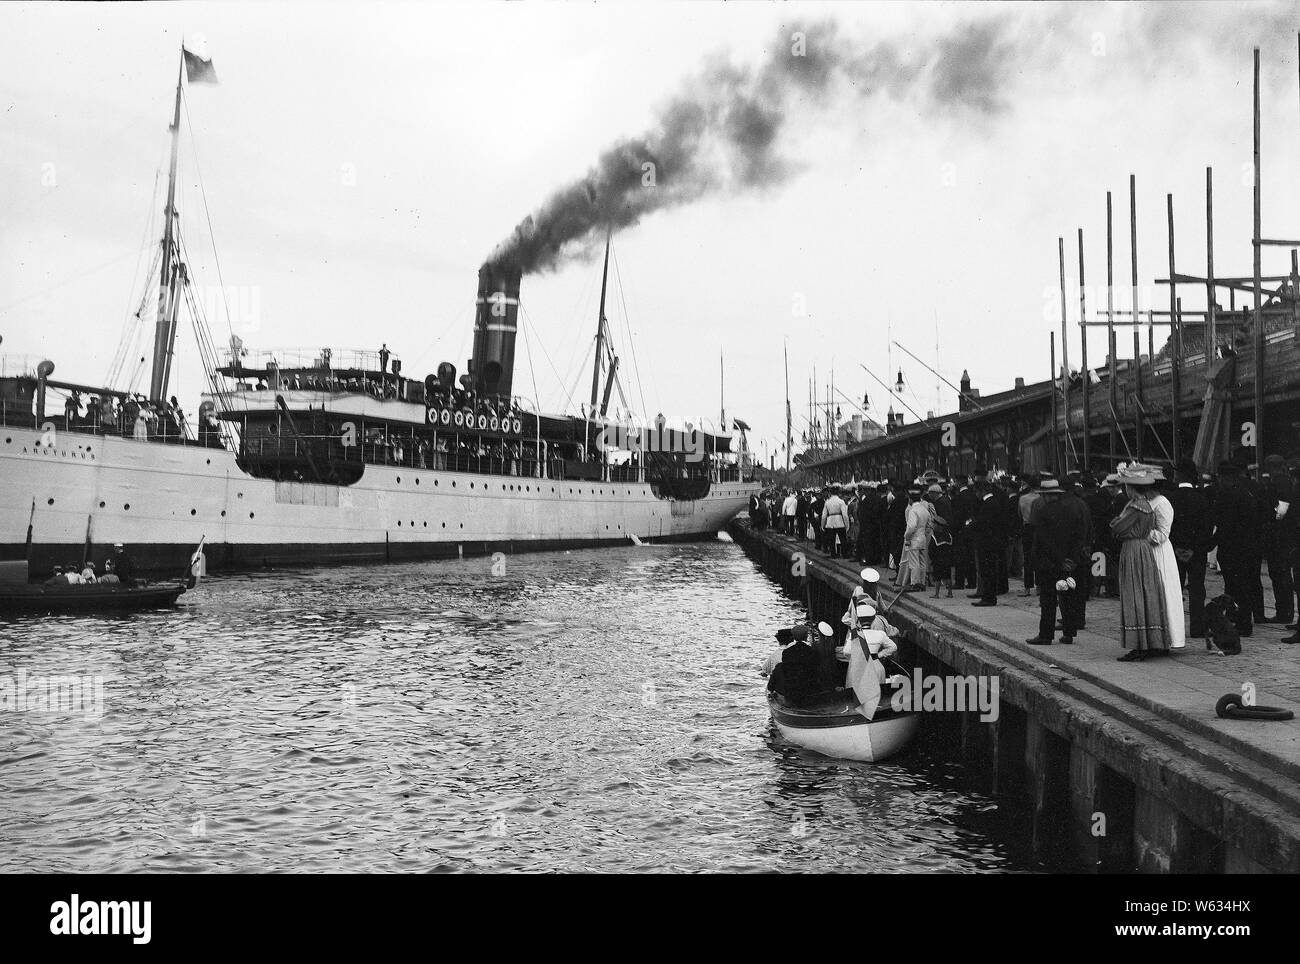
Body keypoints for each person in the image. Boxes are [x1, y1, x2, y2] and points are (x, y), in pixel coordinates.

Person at [1110, 467, 1173, 661]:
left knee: (1134, 593)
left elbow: (1117, 527)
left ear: (1131, 488)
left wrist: (1116, 523)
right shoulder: (1147, 504)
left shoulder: (1134, 506)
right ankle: (1153, 640)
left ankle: (1139, 644)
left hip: (1133, 549)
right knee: (1148, 592)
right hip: (1145, 549)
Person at [1024, 479, 1089, 645]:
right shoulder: (1071, 510)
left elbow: (1044, 541)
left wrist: (1059, 560)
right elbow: (1079, 536)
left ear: (1045, 496)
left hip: (1049, 563)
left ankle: (1046, 635)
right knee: (1067, 597)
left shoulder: (1044, 512)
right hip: (1068, 564)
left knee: (1048, 599)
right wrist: (1071, 559)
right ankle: (1069, 633)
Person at [1211, 462, 1260, 638]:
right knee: (1243, 587)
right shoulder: (1246, 493)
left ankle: (1241, 623)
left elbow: (1224, 525)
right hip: (1247, 548)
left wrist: (1211, 543)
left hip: (1232, 549)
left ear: (1225, 478)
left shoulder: (1227, 495)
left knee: (1235, 587)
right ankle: (1241, 621)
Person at [1171, 459, 1212, 639]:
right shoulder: (1202, 498)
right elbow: (1206, 528)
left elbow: (1168, 526)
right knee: (1197, 590)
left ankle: (1175, 628)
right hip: (1197, 553)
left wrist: (1178, 547)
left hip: (1175, 552)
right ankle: (1197, 628)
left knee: (1174, 590)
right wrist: (1195, 549)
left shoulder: (1170, 497)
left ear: (1180, 475)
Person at [1262, 454, 1295, 624]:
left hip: (1278, 536)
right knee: (1282, 575)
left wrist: (1274, 519)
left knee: (1279, 574)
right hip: (1284, 535)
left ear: (1270, 467)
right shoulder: (1286, 480)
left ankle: (1283, 612)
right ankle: (1285, 611)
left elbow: (1282, 507)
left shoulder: (1278, 482)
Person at [970, 469, 1005, 607]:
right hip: (991, 542)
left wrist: (971, 525)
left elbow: (983, 523)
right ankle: (988, 596)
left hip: (987, 543)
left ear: (981, 491)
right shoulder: (992, 502)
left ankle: (988, 597)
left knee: (987, 571)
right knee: (988, 570)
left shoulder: (988, 504)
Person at [927, 483, 954, 598]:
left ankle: (937, 594)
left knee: (937, 575)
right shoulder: (946, 499)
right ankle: (950, 592)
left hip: (938, 561)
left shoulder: (939, 503)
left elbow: (931, 550)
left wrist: (932, 560)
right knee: (948, 575)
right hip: (947, 559)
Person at [821, 485, 850, 558]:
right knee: (843, 539)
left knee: (832, 540)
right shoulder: (841, 501)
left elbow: (824, 515)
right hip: (839, 520)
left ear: (831, 492)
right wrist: (847, 524)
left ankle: (833, 554)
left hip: (830, 521)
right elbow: (845, 515)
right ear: (838, 492)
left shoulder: (827, 502)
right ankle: (844, 554)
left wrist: (822, 525)